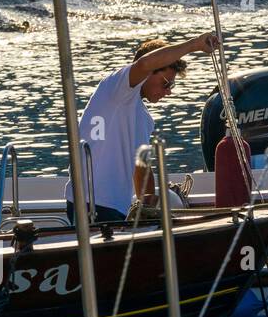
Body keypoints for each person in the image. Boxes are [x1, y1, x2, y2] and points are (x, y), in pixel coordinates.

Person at [67, 32, 220, 224]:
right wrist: (195, 45)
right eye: (166, 83)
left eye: (171, 85)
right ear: (148, 73)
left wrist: (148, 210)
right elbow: (144, 64)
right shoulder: (117, 87)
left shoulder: (144, 118)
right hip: (91, 203)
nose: (168, 91)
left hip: (117, 207)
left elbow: (142, 168)